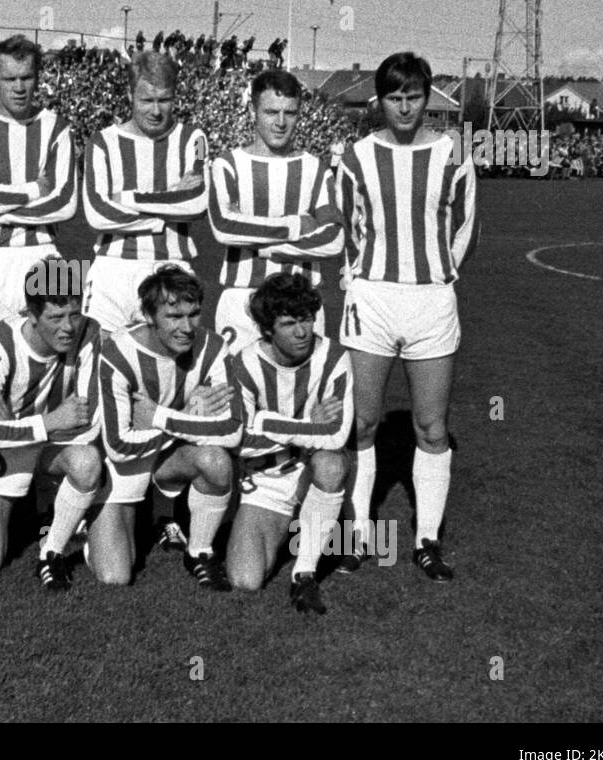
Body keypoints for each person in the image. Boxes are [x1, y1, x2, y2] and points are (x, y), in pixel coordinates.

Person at [334, 52, 478, 581]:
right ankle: (355, 538)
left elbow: (466, 227)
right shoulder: (355, 156)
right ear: (380, 100)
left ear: (427, 97)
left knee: (431, 427)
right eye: (394, 96)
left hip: (431, 304)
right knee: (363, 424)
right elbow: (343, 225)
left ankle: (426, 541)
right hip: (371, 300)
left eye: (413, 96)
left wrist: (440, 277)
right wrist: (359, 277)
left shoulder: (453, 153)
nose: (403, 106)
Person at [92, 264, 242, 588]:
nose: (187, 327)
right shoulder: (118, 351)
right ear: (148, 315)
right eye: (174, 317)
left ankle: (199, 551)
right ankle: (97, 522)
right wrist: (190, 418)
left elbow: (232, 430)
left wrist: (164, 417)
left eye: (194, 314)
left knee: (216, 460)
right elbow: (118, 446)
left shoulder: (214, 347)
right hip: (123, 465)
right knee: (115, 575)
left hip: (165, 452)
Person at [0, 258, 101, 590]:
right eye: (55, 317)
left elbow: (90, 423)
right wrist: (49, 421)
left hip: (44, 447)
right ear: (32, 314)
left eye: (74, 313)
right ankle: (33, 509)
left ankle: (50, 550)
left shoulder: (89, 332)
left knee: (86, 461)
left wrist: (14, 425)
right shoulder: (3, 342)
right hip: (8, 453)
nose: (68, 327)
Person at [225, 273, 352, 613]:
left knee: (331, 461)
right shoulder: (244, 363)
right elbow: (240, 441)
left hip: (311, 470)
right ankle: (292, 529)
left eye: (307, 320)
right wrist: (309, 424)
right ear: (268, 329)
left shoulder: (334, 357)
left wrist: (266, 422)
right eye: (289, 323)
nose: (302, 332)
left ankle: (304, 574)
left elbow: (338, 435)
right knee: (245, 581)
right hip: (266, 480)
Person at [0, 34, 76, 366]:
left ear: (38, 77)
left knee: (58, 363)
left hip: (45, 253)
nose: (19, 87)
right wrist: (34, 190)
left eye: (27, 77)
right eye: (9, 78)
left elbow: (65, 203)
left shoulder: (58, 128)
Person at [207, 69, 343, 354]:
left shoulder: (314, 168)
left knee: (301, 396)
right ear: (253, 110)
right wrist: (296, 226)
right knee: (236, 392)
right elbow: (225, 227)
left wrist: (271, 249)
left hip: (303, 303)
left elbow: (333, 237)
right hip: (243, 299)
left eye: (290, 113)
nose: (281, 123)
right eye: (271, 111)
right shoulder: (227, 165)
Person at [80, 50, 208, 339]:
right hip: (112, 270)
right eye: (146, 100)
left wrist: (125, 198)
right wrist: (167, 205)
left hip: (172, 267)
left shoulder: (195, 139)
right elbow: (97, 214)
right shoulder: (102, 142)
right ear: (129, 95)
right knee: (97, 362)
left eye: (164, 100)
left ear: (176, 96)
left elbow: (197, 201)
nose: (156, 110)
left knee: (166, 370)